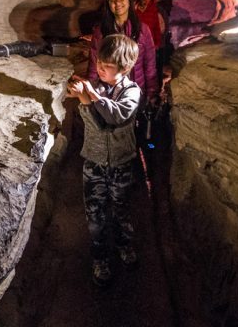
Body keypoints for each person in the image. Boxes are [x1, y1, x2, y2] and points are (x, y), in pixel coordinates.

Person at [67, 34, 142, 287]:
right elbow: (95, 125)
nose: (99, 69)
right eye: (99, 63)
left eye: (107, 65)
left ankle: (124, 245)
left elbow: (116, 116)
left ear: (124, 68)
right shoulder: (96, 87)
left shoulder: (132, 92)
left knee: (121, 210)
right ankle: (100, 258)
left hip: (121, 163)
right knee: (95, 215)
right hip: (94, 162)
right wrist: (84, 96)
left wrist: (90, 98)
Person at [87, 0, 158, 105]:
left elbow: (150, 63)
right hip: (108, 91)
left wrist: (152, 92)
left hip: (135, 89)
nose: (117, 2)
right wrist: (90, 88)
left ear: (129, 2)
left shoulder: (142, 30)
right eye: (113, 0)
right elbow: (94, 62)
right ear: (109, 5)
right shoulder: (101, 31)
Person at [135, 0, 166, 85]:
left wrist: (157, 43)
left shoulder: (153, 9)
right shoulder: (134, 8)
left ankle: (153, 91)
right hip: (136, 44)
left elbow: (157, 28)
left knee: (150, 68)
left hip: (150, 44)